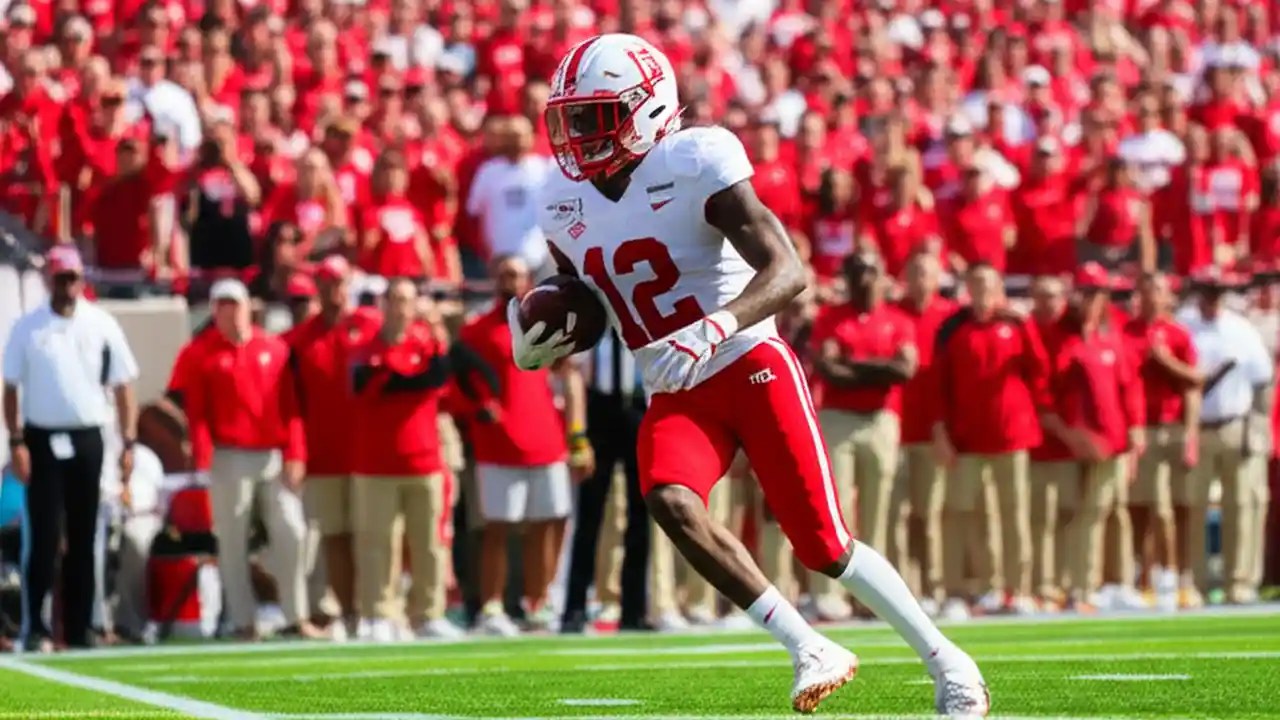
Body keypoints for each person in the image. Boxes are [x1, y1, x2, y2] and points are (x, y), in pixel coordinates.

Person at [511, 34, 986, 715]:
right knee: (670, 501)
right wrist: (541, 335)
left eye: (594, 116)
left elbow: (787, 269)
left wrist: (716, 325)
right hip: (674, 384)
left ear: (646, 110)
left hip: (746, 361)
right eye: (571, 118)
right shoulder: (563, 198)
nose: (578, 135)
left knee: (825, 544)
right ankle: (808, 646)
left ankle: (949, 661)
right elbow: (581, 295)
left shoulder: (695, 158)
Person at [2, 246, 139, 650]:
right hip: (42, 439)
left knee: (84, 537)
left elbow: (123, 385)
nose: (67, 287)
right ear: (49, 280)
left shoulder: (101, 324)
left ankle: (80, 628)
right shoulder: (28, 328)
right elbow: (10, 388)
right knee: (42, 538)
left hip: (87, 437)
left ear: (82, 280)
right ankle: (36, 627)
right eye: (60, 279)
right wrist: (16, 440)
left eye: (73, 278)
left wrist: (127, 440)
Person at [457, 254, 591, 636]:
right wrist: (479, 411)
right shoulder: (476, 331)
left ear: (529, 281)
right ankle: (492, 607)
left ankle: (538, 604)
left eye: (517, 275)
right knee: (497, 529)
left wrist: (577, 436)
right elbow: (460, 385)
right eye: (503, 274)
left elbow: (570, 380)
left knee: (545, 527)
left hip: (546, 442)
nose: (510, 281)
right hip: (497, 446)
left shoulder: (549, 325)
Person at [184, 278, 322, 640]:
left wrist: (296, 453)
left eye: (235, 304)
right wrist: (203, 457)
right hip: (229, 456)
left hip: (272, 455)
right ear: (214, 311)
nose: (230, 312)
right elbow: (196, 412)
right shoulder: (201, 353)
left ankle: (296, 616)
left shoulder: (274, 348)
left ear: (248, 307)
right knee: (232, 541)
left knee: (292, 530)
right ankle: (244, 622)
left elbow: (291, 407)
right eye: (222, 306)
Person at [348, 278, 465, 640]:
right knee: (378, 543)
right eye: (395, 299)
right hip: (377, 462)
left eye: (407, 300)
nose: (401, 307)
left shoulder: (427, 345)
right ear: (384, 304)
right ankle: (379, 614)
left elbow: (436, 378)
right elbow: (369, 383)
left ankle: (428, 612)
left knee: (430, 542)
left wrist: (408, 371)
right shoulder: (364, 348)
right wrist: (406, 378)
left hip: (424, 459)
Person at [934, 263, 1049, 618]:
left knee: (1015, 516)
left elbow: (1040, 370)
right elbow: (939, 386)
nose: (982, 289)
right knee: (968, 515)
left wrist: (1026, 326)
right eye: (976, 283)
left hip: (1012, 436)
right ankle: (980, 587)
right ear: (968, 286)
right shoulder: (954, 329)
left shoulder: (1015, 325)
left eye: (989, 283)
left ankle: (1019, 589)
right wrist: (941, 434)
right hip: (967, 440)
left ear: (999, 287)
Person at [807, 251, 917, 621]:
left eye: (871, 270)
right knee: (836, 509)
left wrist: (854, 365)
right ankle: (830, 593)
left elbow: (904, 370)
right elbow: (829, 370)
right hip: (839, 417)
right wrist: (878, 369)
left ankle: (876, 595)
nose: (865, 279)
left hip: (880, 419)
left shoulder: (898, 320)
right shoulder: (830, 318)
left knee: (879, 511)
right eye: (857, 272)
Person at [285, 256, 382, 639]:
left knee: (373, 536)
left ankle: (379, 611)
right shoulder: (300, 340)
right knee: (337, 537)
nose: (332, 290)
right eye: (325, 283)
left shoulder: (372, 326)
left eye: (338, 282)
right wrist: (298, 451)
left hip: (370, 453)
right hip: (325, 453)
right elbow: (292, 402)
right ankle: (349, 613)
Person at [1041, 264, 1146, 612]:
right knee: (1074, 514)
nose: (1088, 300)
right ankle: (1074, 585)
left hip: (1111, 441)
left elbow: (1129, 385)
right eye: (1083, 292)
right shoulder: (1058, 335)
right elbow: (1044, 392)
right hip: (1068, 445)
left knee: (1106, 511)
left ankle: (1103, 584)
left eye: (1095, 293)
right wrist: (1070, 434)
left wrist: (1135, 428)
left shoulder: (1111, 333)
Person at [1177, 269, 1273, 605]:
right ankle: (1196, 582)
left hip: (1236, 423)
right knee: (1194, 506)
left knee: (1243, 505)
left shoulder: (1240, 329)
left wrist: (1258, 430)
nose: (1212, 297)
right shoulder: (1184, 325)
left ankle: (1240, 581)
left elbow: (1263, 380)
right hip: (1197, 427)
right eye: (1206, 290)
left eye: (1217, 290)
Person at [1123, 272, 1202, 608]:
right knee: (1147, 506)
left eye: (1158, 290)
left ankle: (1175, 575)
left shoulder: (1177, 334)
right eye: (1146, 291)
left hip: (1172, 427)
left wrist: (1191, 434)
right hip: (1142, 429)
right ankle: (1150, 577)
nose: (1152, 297)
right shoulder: (1127, 333)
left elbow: (1196, 381)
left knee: (1177, 507)